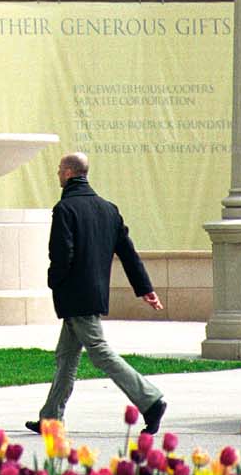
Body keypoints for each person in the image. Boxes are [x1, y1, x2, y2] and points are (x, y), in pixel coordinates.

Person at [26, 151, 167, 435]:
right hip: (92, 293)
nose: (57, 175)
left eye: (58, 170)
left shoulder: (65, 210)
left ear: (67, 173)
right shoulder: (108, 209)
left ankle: (150, 400)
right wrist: (145, 289)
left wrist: (54, 280)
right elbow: (128, 253)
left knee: (100, 353)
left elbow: (62, 254)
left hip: (75, 296)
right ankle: (50, 418)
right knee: (66, 357)